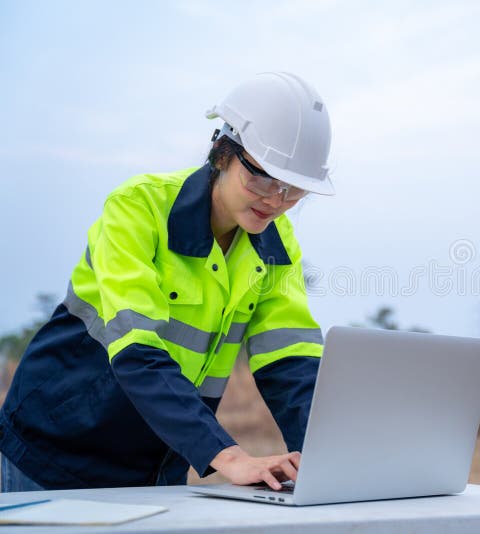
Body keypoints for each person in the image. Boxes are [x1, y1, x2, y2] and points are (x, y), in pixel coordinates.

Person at [0, 72, 335, 492]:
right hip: (53, 456)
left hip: (157, 468)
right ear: (222, 153)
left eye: (293, 190)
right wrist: (228, 456)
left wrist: (329, 464)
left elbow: (291, 364)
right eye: (264, 177)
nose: (275, 200)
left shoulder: (277, 244)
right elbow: (138, 351)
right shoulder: (137, 209)